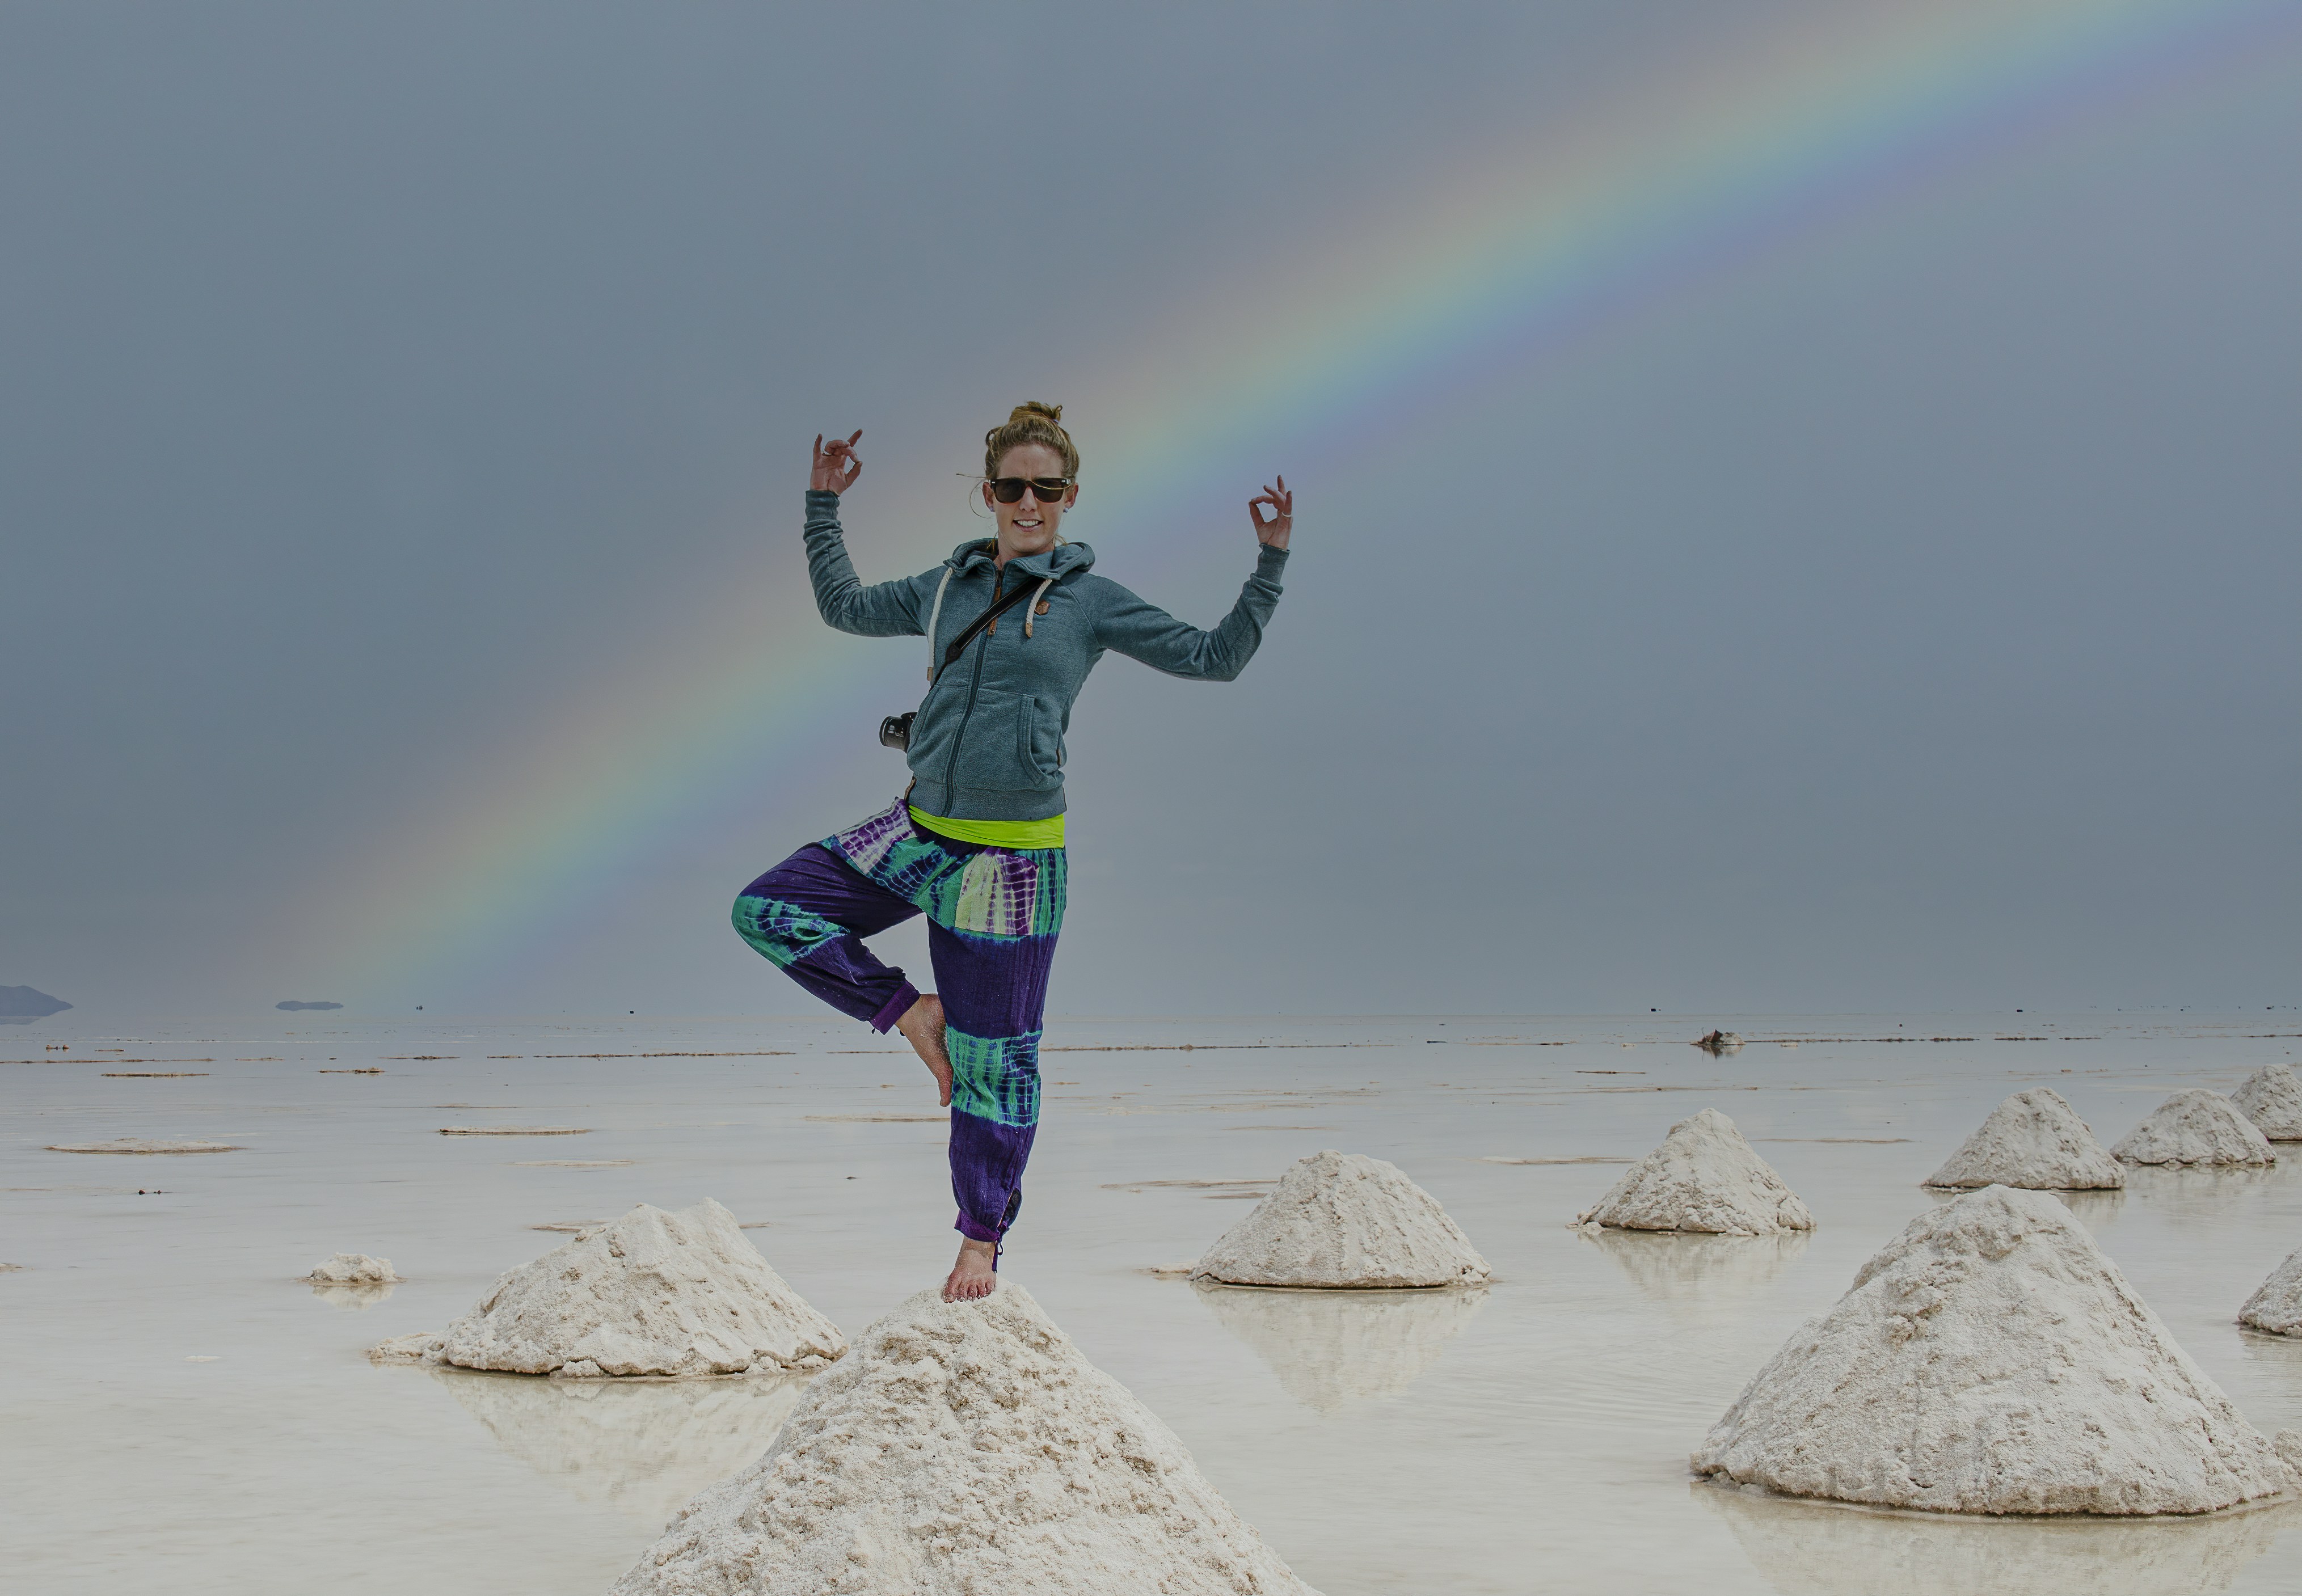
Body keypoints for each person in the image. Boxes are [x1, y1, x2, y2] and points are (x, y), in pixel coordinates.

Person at [732, 402, 1292, 1301]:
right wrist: (821, 504)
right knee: (765, 909)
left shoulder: (1090, 602)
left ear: (1070, 497)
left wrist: (1268, 563)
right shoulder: (946, 585)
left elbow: (1213, 657)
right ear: (986, 494)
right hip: (918, 828)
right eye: (1009, 487)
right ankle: (912, 1013)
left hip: (1013, 863)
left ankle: (979, 1240)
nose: (1027, 502)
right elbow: (841, 606)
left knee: (998, 1062)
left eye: (1045, 488)